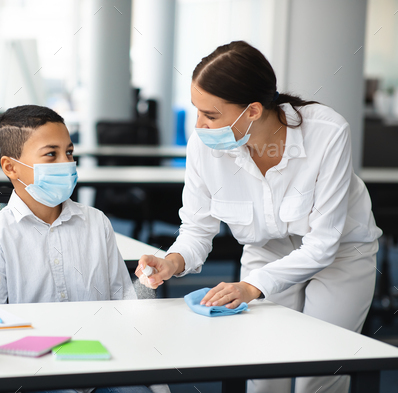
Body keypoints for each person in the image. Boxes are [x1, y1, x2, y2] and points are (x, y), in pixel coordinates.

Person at [136, 41, 382, 393]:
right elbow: (196, 229)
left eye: (211, 115)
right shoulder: (203, 149)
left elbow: (322, 245)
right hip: (267, 249)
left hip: (341, 254)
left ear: (252, 110)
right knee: (264, 375)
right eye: (196, 111)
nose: (199, 126)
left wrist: (253, 287)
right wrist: (171, 262)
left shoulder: (327, 133)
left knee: (319, 371)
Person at [0, 105, 165, 393]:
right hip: (36, 371)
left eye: (69, 153)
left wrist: (146, 286)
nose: (66, 162)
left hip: (103, 364)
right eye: (51, 154)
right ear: (11, 167)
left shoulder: (96, 223)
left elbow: (123, 301)